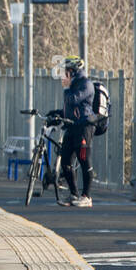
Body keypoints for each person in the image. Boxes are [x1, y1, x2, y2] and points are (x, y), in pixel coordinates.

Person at [54, 55, 95, 207]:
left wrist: (66, 87)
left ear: (73, 71)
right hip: (71, 127)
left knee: (84, 160)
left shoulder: (86, 84)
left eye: (67, 72)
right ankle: (73, 194)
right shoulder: (72, 86)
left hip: (84, 127)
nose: (64, 75)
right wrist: (57, 114)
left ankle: (87, 196)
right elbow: (69, 108)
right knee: (65, 161)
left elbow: (73, 100)